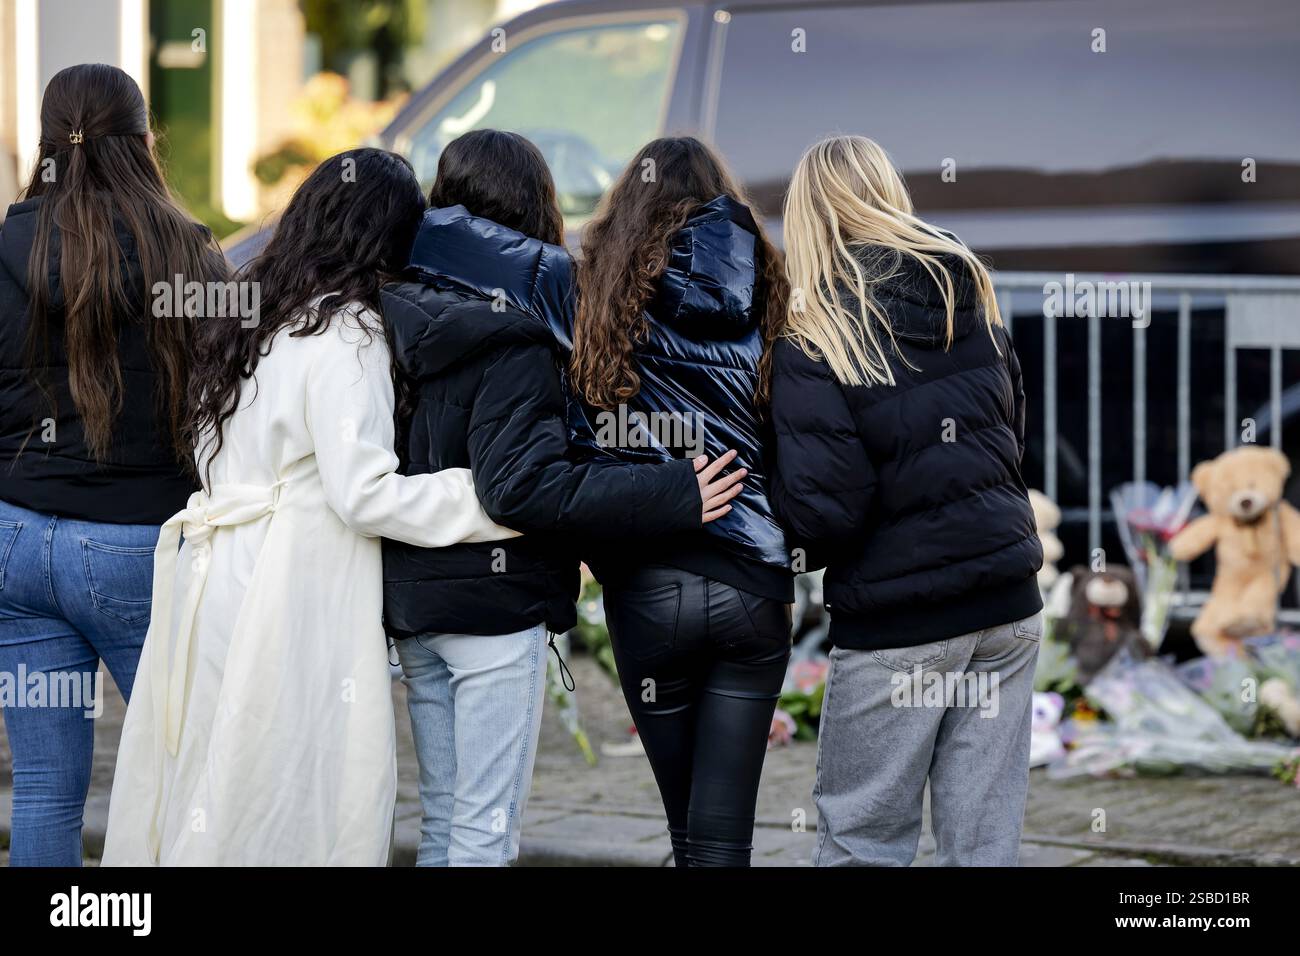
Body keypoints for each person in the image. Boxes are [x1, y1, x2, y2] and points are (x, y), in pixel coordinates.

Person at [100, 149, 519, 866]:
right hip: (293, 589)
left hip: (221, 576)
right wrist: (487, 497)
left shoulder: (251, 316)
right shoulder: (347, 333)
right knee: (290, 789)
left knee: (217, 773)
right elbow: (364, 494)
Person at [380, 129, 746, 866]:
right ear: (535, 207)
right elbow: (523, 487)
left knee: (445, 822)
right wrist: (673, 491)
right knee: (484, 832)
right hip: (494, 607)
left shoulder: (391, 310)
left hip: (413, 603)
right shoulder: (521, 326)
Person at [769, 135, 1044, 867]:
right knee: (983, 846)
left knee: (864, 841)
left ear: (807, 215)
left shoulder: (816, 331)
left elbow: (827, 512)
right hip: (1008, 607)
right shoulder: (970, 290)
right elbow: (1010, 439)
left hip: (899, 623)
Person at [0, 63, 227, 867]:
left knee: (44, 790)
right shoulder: (189, 254)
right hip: (139, 549)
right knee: (188, 778)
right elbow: (230, 402)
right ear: (141, 142)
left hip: (16, 544)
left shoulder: (4, 246)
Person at [566, 136, 794, 867]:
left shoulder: (597, 290)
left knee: (687, 837)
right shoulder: (769, 282)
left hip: (647, 587)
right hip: (753, 587)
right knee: (723, 842)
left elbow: (584, 443)